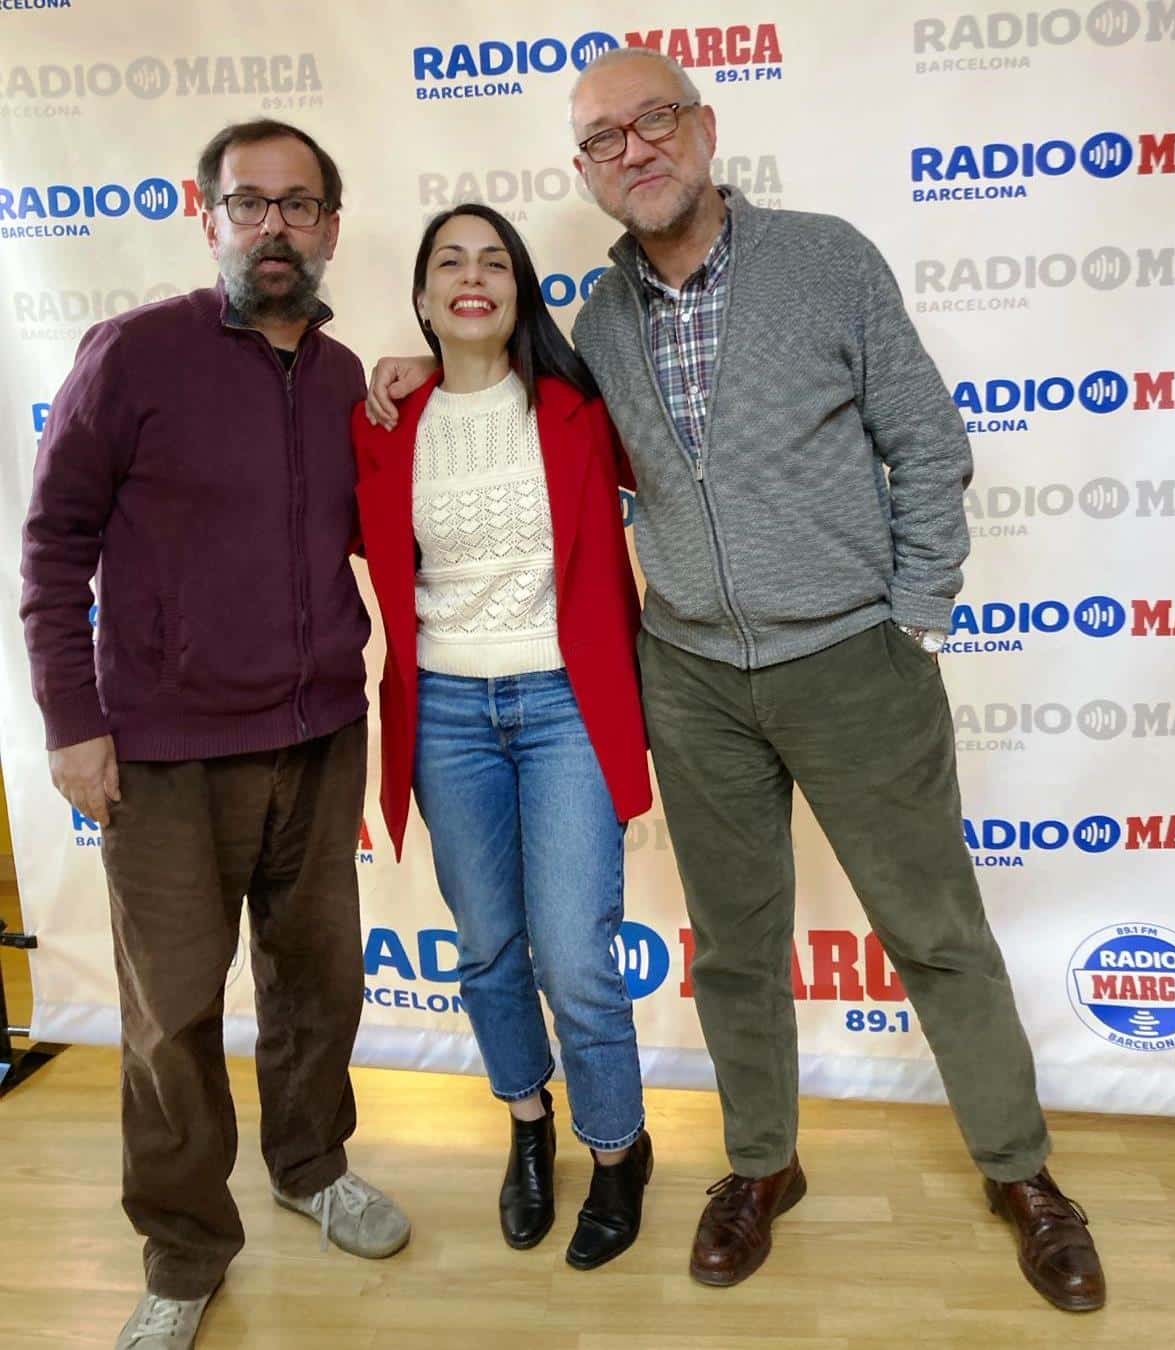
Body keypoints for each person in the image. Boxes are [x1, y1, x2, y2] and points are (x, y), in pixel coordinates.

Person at [368, 48, 1106, 1312]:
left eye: (653, 120)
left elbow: (925, 440)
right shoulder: (596, 323)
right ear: (588, 171)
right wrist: (403, 373)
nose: (634, 150)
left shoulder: (826, 258)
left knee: (934, 933)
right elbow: (504, 413)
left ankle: (1022, 1173)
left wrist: (915, 618)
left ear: (703, 129)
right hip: (695, 679)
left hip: (853, 662)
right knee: (739, 949)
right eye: (603, 138)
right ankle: (762, 1165)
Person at [21, 119, 410, 1350]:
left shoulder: (349, 380)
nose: (276, 228)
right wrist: (72, 721)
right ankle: (185, 1250)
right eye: (251, 204)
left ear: (332, 227)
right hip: (164, 755)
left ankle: (309, 1165)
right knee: (174, 1014)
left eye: (300, 207)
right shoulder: (132, 355)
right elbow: (51, 549)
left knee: (318, 989)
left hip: (317, 734)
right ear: (209, 219)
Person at [351, 203, 654, 1270]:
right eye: (449, 263)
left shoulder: (578, 410)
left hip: (567, 706)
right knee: (486, 951)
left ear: (521, 289)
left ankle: (617, 1150)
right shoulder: (381, 422)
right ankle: (528, 1127)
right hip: (445, 716)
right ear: (425, 297)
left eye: (495, 261)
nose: (473, 276)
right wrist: (399, 373)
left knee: (575, 954)